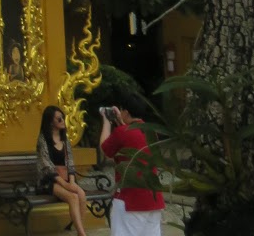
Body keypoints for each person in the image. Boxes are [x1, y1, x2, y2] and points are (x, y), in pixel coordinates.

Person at [100, 97, 165, 235]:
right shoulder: (151, 131)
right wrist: (120, 121)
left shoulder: (122, 132)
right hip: (153, 198)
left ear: (126, 112)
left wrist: (106, 121)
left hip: (130, 198)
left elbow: (105, 150)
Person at [35, 104, 90, 236]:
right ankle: (83, 234)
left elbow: (70, 161)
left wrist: (71, 181)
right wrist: (65, 184)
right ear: (50, 122)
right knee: (72, 197)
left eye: (63, 118)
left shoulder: (65, 139)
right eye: (59, 119)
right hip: (49, 181)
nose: (62, 121)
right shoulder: (43, 140)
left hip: (66, 177)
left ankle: (79, 232)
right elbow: (47, 166)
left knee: (81, 194)